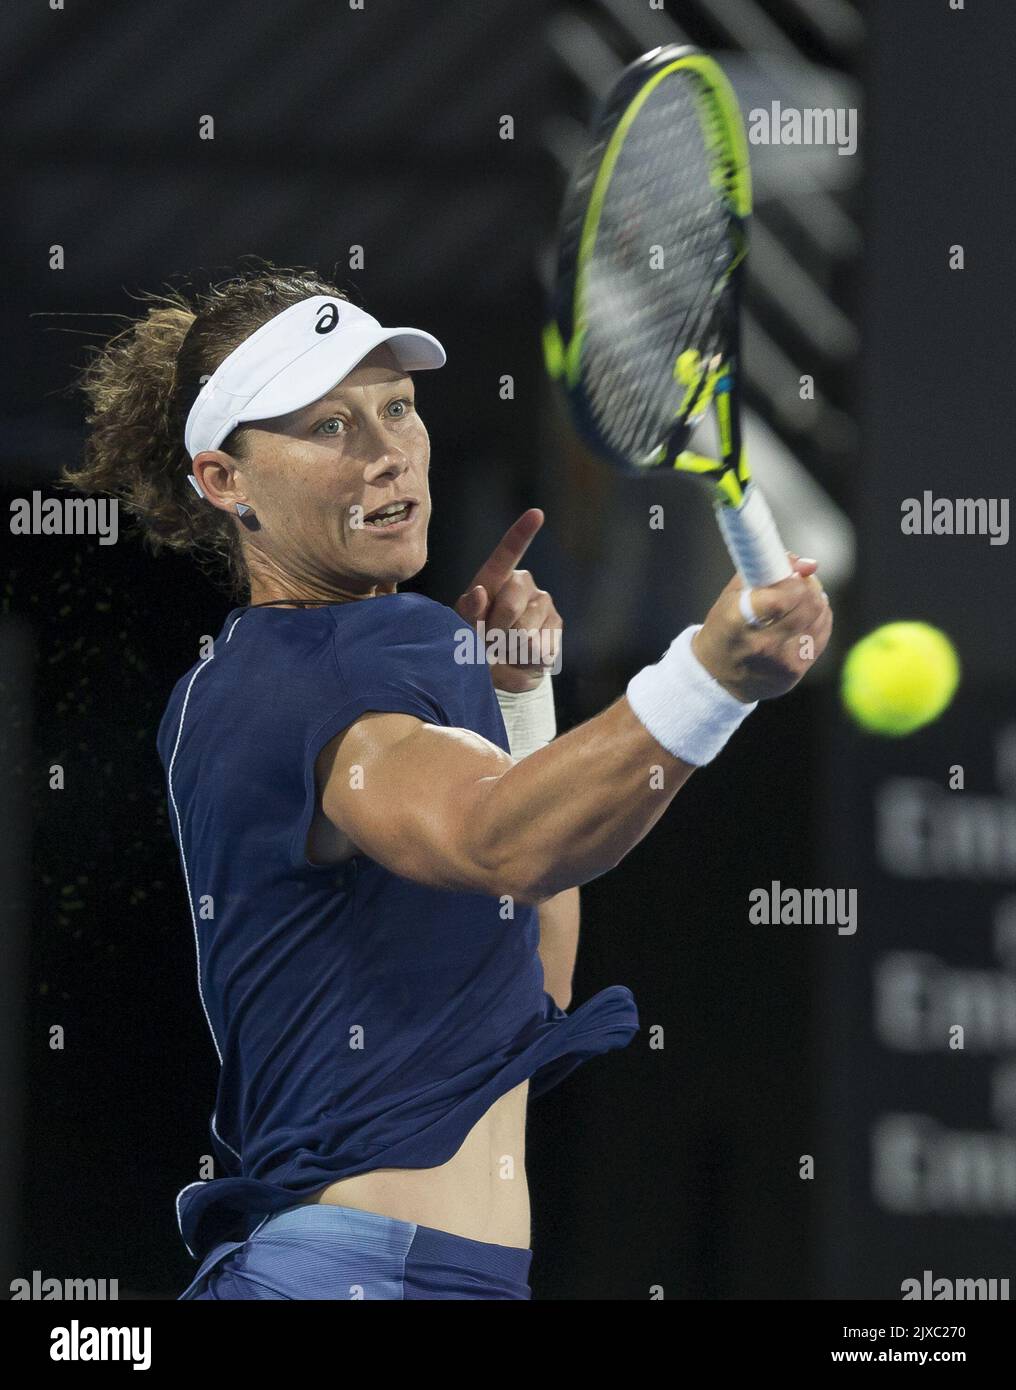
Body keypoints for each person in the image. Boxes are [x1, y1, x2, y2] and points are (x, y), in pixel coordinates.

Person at [63, 265, 831, 1299]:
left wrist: (518, 702)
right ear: (224, 481)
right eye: (329, 427)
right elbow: (499, 841)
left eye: (397, 409)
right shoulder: (311, 671)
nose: (388, 455)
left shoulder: (303, 674)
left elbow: (533, 975)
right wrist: (708, 674)